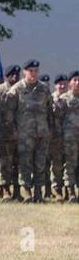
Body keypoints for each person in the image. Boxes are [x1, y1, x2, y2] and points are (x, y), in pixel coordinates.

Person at [7, 59, 53, 203]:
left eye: (36, 71)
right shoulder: (16, 89)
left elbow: (49, 111)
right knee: (25, 163)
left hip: (41, 133)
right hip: (24, 134)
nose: (33, 74)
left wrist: (50, 129)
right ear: (25, 72)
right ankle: (27, 192)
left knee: (40, 163)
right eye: (30, 71)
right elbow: (9, 114)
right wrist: (13, 131)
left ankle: (39, 193)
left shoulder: (44, 89)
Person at [0, 65, 21, 201]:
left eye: (17, 75)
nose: (15, 77)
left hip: (20, 132)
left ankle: (17, 190)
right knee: (4, 162)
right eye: (12, 75)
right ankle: (5, 189)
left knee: (18, 162)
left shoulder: (21, 90)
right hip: (4, 133)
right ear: (6, 76)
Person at [60, 72, 79, 202]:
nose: (77, 83)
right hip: (69, 138)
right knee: (70, 165)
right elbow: (56, 120)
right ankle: (70, 191)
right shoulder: (63, 99)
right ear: (70, 82)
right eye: (75, 80)